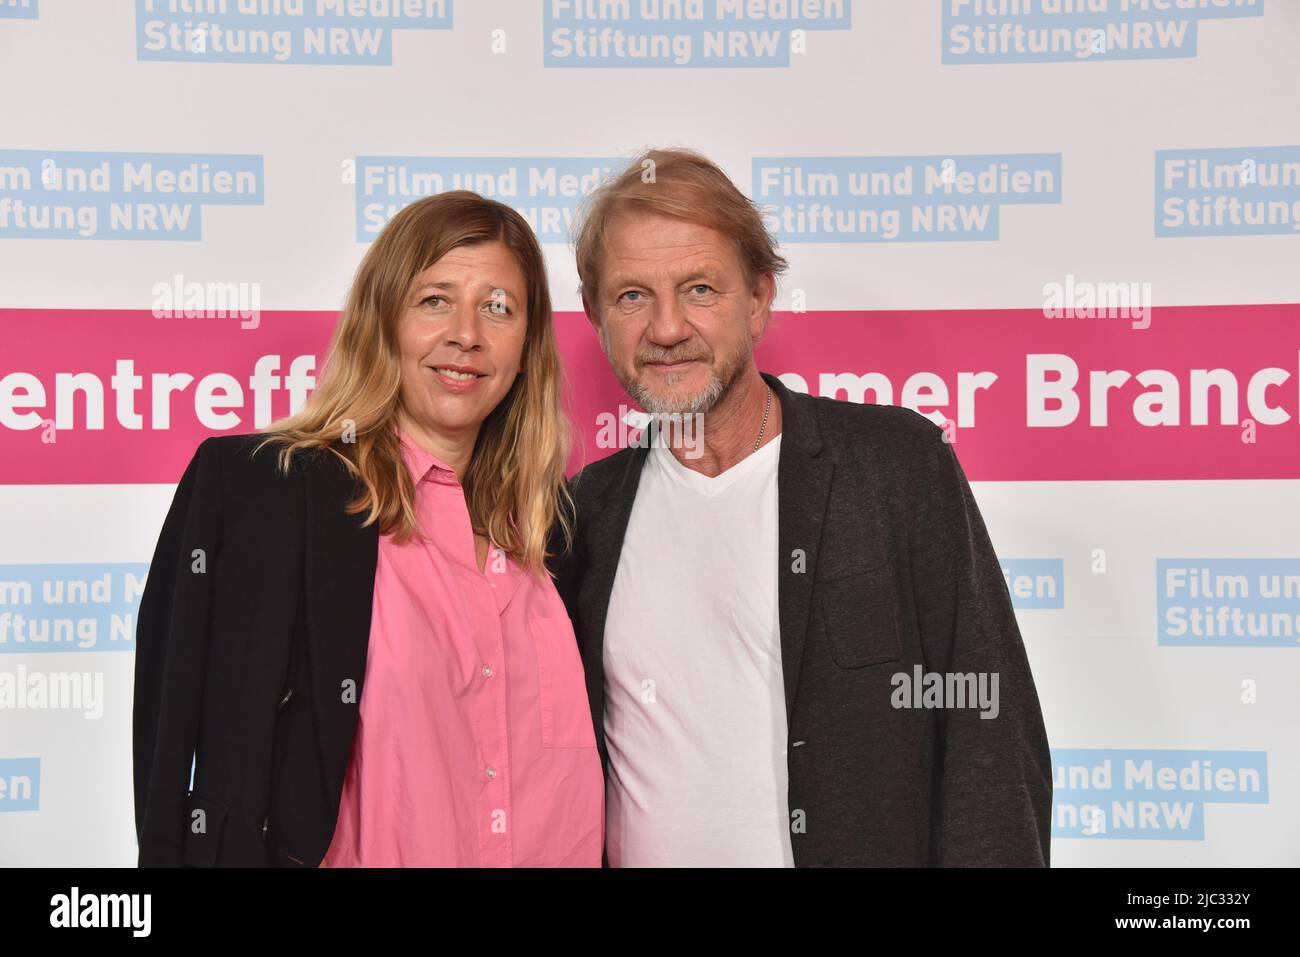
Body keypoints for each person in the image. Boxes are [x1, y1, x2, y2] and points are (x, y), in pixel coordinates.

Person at [549, 147, 1053, 867]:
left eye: (699, 289)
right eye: (632, 295)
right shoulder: (583, 515)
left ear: (758, 299)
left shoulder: (895, 466)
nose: (665, 328)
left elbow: (991, 732)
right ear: (595, 315)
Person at [133, 191, 602, 867]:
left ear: (528, 346)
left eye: (498, 306)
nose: (466, 332)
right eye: (434, 299)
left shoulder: (553, 529)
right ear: (383, 322)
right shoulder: (268, 492)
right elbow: (176, 750)